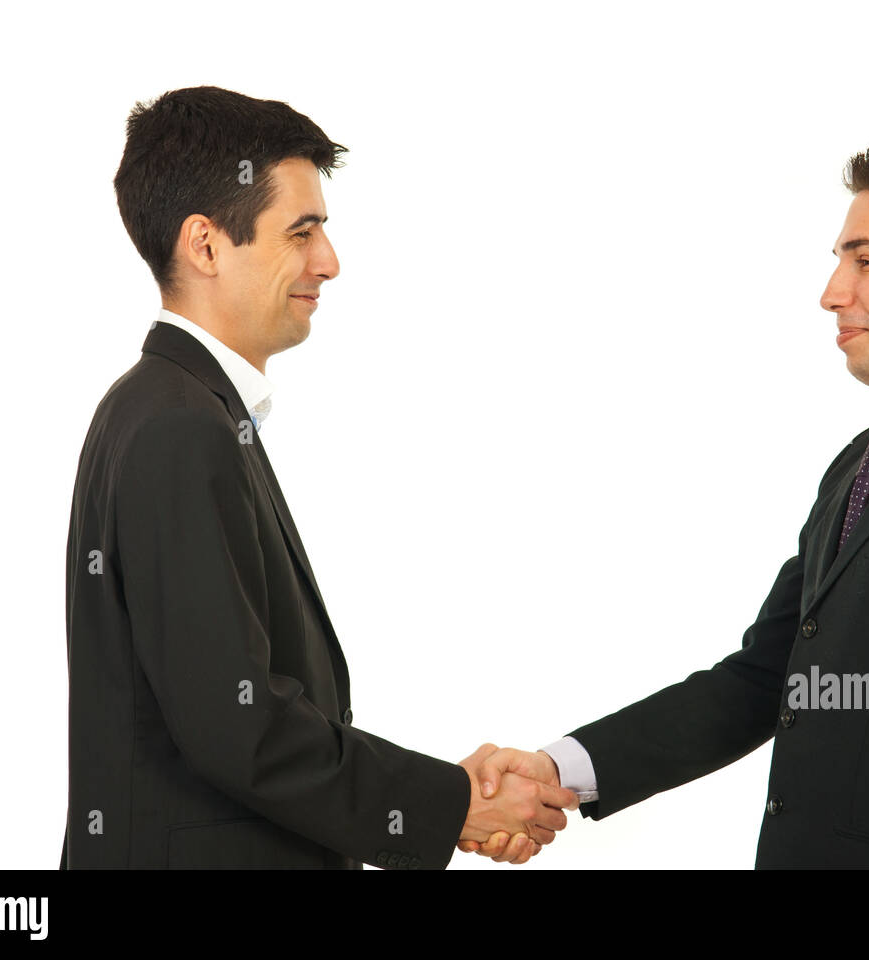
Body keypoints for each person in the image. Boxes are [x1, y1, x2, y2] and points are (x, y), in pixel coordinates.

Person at [464, 133, 869, 868]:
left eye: (864, 260)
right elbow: (764, 679)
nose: (833, 292)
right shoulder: (862, 465)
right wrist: (560, 770)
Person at [61, 86, 576, 869]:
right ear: (205, 246)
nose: (329, 263)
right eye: (301, 233)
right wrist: (452, 804)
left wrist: (447, 794)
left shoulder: (170, 407)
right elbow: (240, 730)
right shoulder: (179, 426)